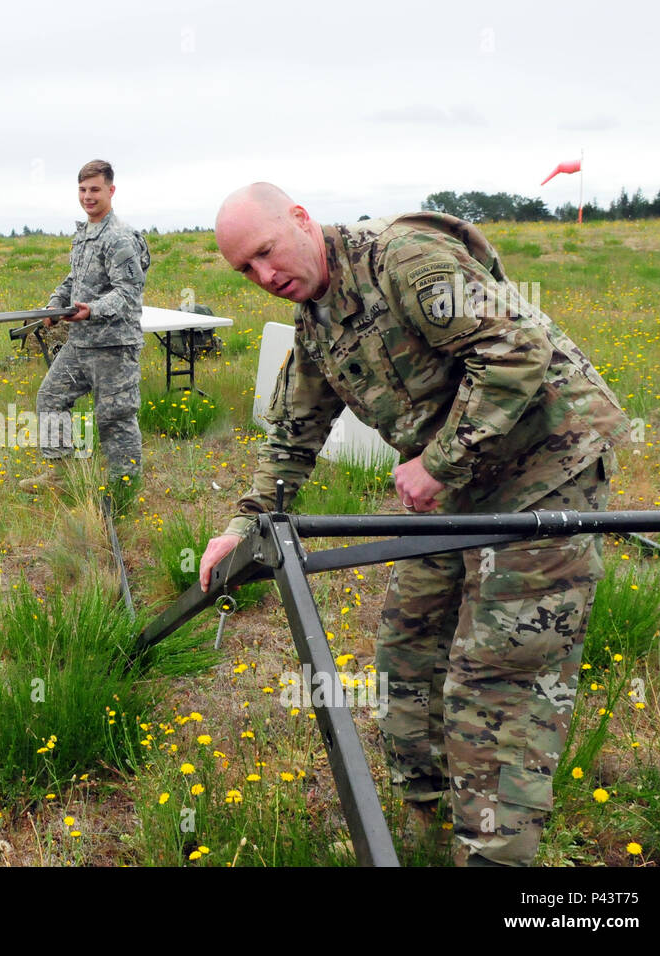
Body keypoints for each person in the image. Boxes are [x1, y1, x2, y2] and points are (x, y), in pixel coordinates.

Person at [200, 182, 628, 866]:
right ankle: (426, 822)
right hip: (456, 493)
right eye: (245, 271)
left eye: (265, 253)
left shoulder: (404, 260)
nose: (264, 277)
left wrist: (438, 461)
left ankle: (492, 856)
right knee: (409, 647)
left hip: (543, 472)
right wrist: (244, 522)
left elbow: (517, 349)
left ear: (302, 221)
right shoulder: (317, 318)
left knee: (497, 680)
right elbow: (291, 435)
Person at [20, 159, 149, 495]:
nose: (88, 196)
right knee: (50, 398)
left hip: (113, 346)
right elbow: (74, 280)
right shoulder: (84, 235)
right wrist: (54, 304)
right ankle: (60, 478)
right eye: (82, 189)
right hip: (80, 344)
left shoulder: (120, 237)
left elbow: (127, 292)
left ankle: (123, 487)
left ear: (111, 190)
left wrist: (92, 310)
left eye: (95, 189)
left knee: (115, 418)